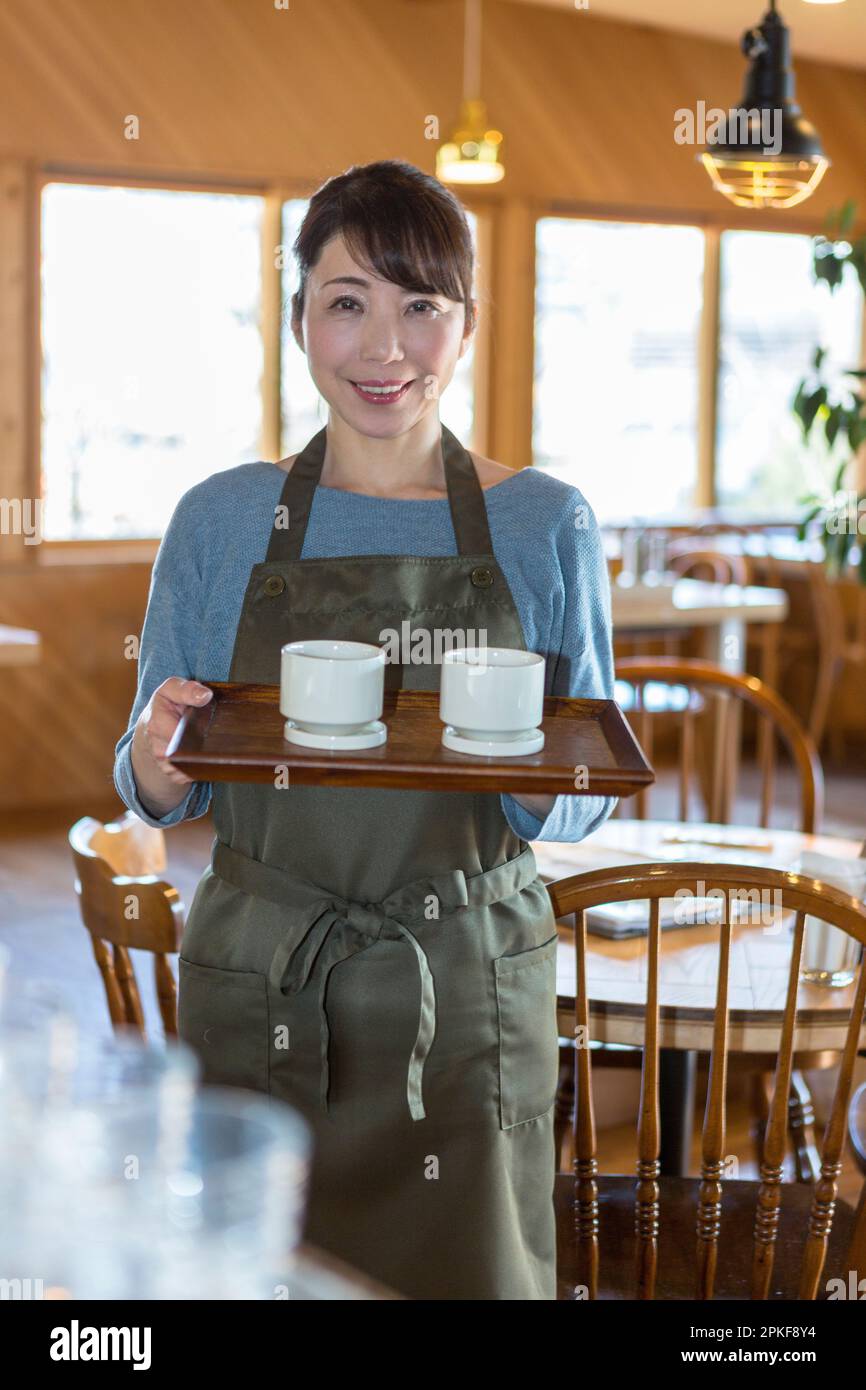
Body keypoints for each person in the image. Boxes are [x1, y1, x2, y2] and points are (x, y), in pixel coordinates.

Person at [113, 159, 617, 1301]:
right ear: (299, 321)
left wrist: (535, 770)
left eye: (419, 306)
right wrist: (149, 756)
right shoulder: (223, 518)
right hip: (263, 981)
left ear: (466, 326)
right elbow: (155, 783)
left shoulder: (544, 524)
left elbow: (586, 781)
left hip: (466, 987)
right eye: (347, 302)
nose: (384, 347)